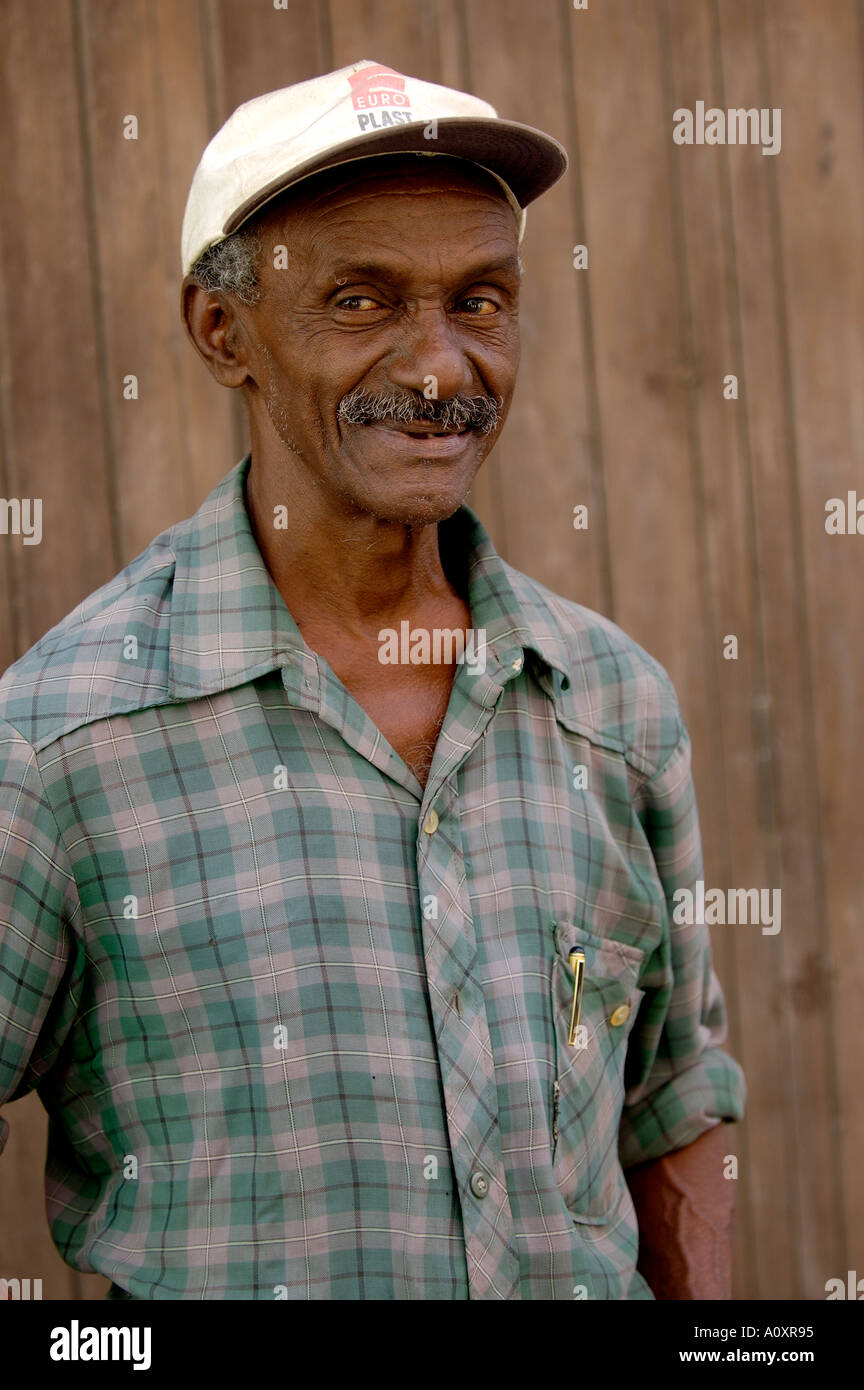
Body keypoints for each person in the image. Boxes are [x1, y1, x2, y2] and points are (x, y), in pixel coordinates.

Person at [0, 60, 745, 1300]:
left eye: (481, 301)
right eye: (360, 301)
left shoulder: (611, 707)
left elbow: (672, 1101)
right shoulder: (64, 742)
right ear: (221, 331)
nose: (443, 368)